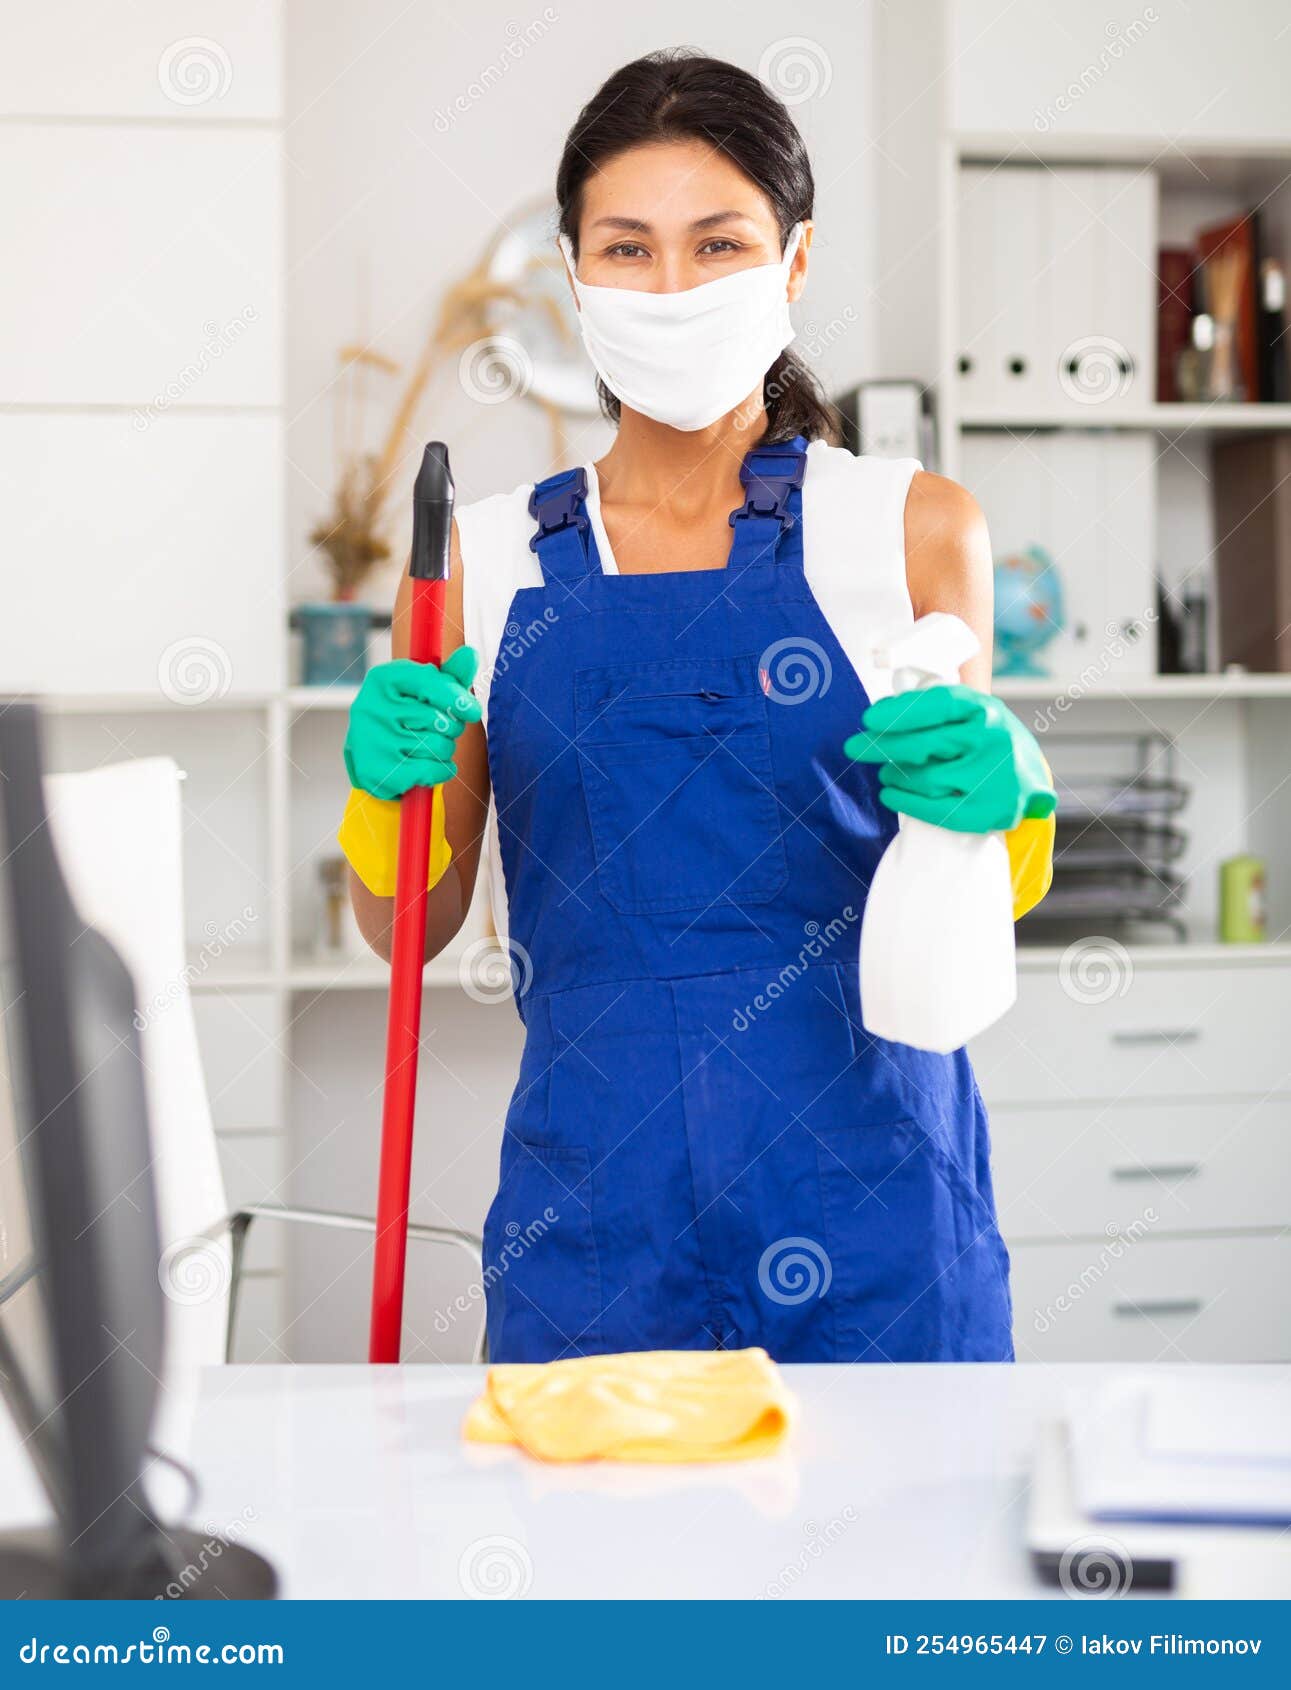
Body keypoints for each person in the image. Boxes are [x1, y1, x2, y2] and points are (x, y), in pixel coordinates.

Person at [339, 49, 1056, 1365]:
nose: (671, 287)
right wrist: (386, 799)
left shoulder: (911, 528)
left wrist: (1006, 809)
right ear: (574, 275)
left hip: (878, 1217)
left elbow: (964, 896)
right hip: (597, 1230)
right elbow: (410, 932)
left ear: (792, 265)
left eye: (717, 243)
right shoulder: (478, 567)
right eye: (628, 247)